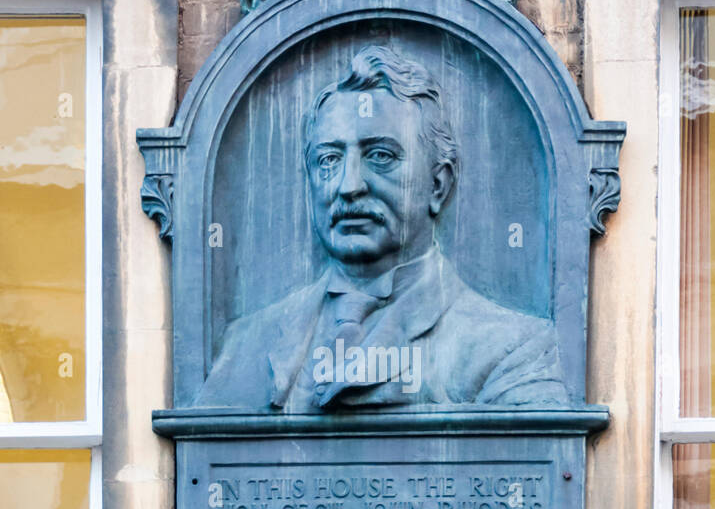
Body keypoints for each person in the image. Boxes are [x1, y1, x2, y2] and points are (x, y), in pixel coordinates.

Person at [197, 45, 567, 410]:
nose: (349, 185)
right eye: (329, 159)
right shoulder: (245, 343)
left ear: (438, 184)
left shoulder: (513, 351)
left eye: (380, 156)